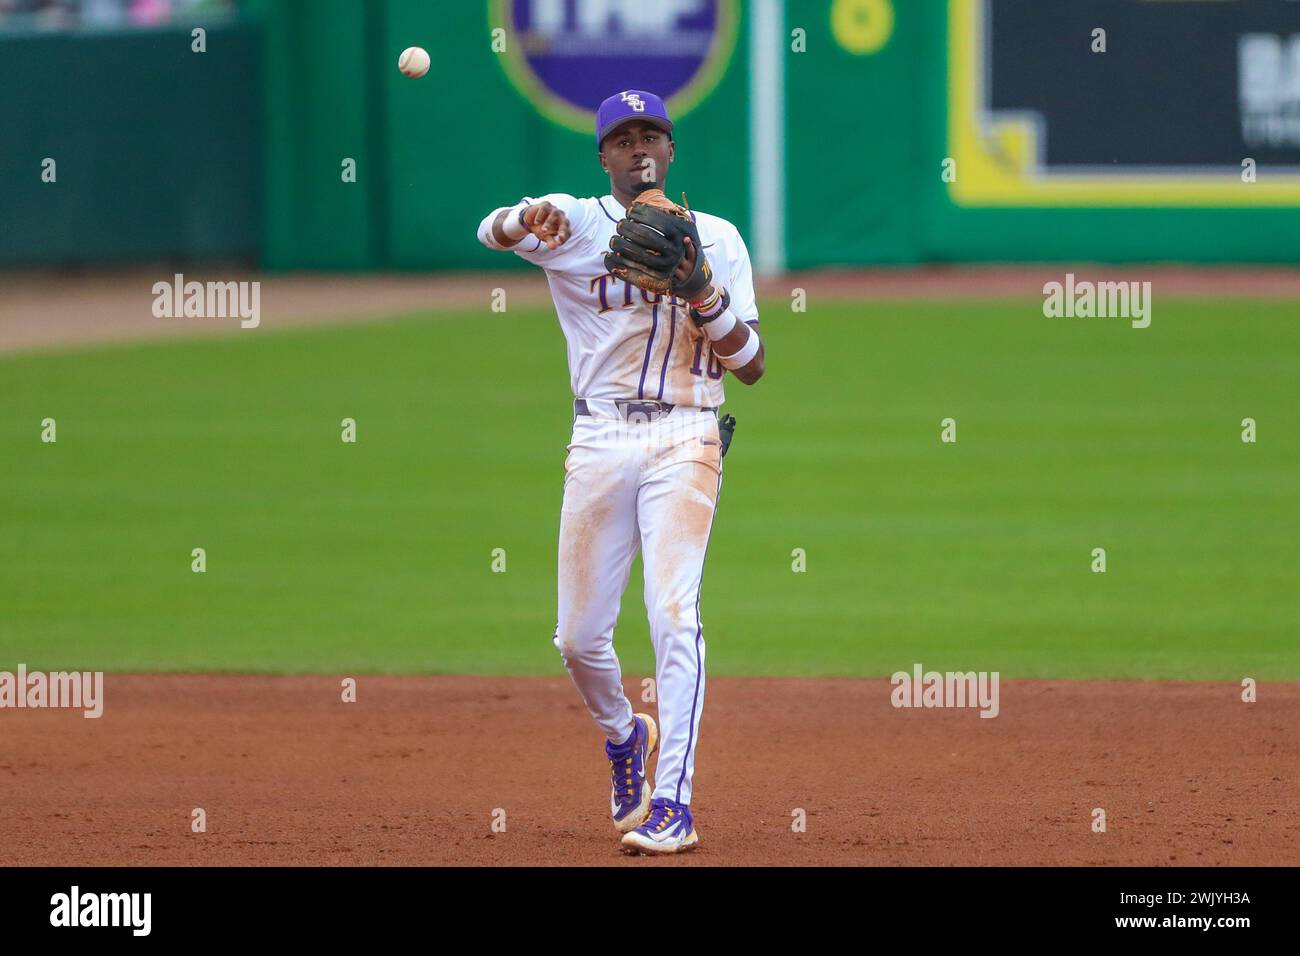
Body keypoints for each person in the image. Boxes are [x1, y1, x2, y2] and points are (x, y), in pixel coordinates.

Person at [475, 89, 765, 854]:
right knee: (577, 638)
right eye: (623, 138)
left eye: (653, 136)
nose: (639, 149)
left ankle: (674, 802)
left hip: (687, 436)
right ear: (602, 156)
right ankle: (622, 734)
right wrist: (524, 219)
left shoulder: (721, 239)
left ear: (671, 151)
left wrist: (702, 290)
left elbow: (753, 365)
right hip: (598, 439)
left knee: (674, 615)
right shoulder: (571, 221)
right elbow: (492, 230)